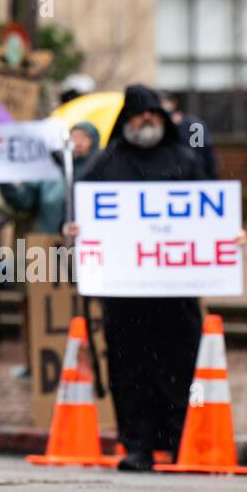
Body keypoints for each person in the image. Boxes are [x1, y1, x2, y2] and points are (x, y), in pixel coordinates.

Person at [76, 85, 208, 471]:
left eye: (153, 113)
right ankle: (137, 444)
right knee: (129, 369)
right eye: (139, 113)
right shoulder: (105, 164)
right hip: (125, 295)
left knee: (179, 366)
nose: (147, 119)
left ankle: (179, 438)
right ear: (126, 120)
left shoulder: (185, 160)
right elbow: (83, 208)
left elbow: (208, 212)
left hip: (175, 293)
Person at [0, 122, 100, 235]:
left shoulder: (100, 173)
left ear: (93, 142)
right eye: (74, 136)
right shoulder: (50, 170)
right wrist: (2, 179)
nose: (78, 142)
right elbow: (23, 200)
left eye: (85, 137)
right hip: (49, 243)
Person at [159, 89, 217, 180]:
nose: (161, 106)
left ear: (173, 103)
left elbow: (205, 157)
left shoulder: (194, 126)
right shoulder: (153, 130)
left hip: (193, 178)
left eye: (163, 102)